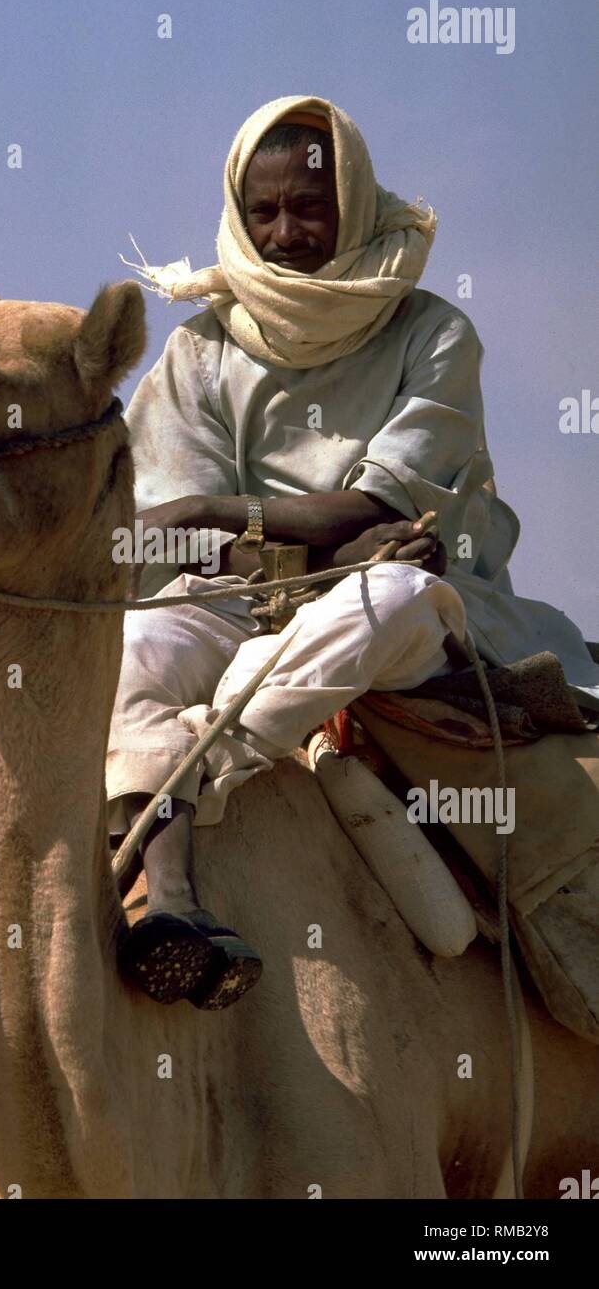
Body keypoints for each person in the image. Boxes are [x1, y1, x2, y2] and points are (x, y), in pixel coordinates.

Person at [108, 94, 599, 1012]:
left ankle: (195, 771)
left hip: (388, 609)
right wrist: (287, 536)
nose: (286, 231)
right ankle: (171, 902)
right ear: (238, 212)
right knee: (135, 648)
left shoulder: (431, 333)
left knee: (393, 595)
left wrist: (231, 511)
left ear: (356, 205)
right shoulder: (200, 351)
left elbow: (376, 505)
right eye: (264, 211)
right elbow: (165, 536)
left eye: (310, 206)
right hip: (236, 610)